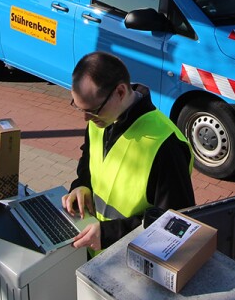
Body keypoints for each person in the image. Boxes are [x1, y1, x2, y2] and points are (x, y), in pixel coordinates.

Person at [62, 52, 195, 252]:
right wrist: (82, 184)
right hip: (96, 253)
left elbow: (176, 223)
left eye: (92, 110)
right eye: (79, 108)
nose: (86, 119)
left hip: (131, 259)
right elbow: (88, 159)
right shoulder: (100, 120)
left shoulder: (166, 145)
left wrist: (109, 234)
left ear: (120, 92)